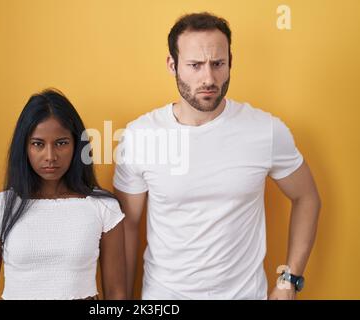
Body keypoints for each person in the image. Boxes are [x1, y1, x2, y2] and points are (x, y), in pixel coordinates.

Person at [114, 12, 321, 300]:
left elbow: (307, 197)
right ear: (172, 65)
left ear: (230, 63)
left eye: (217, 64)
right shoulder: (140, 136)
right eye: (195, 65)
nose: (208, 78)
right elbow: (127, 226)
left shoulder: (265, 130)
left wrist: (289, 279)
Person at [0, 88, 126, 300]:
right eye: (38, 144)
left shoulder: (104, 208)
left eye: (61, 143)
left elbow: (117, 292)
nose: (50, 156)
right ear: (24, 147)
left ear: (76, 144)